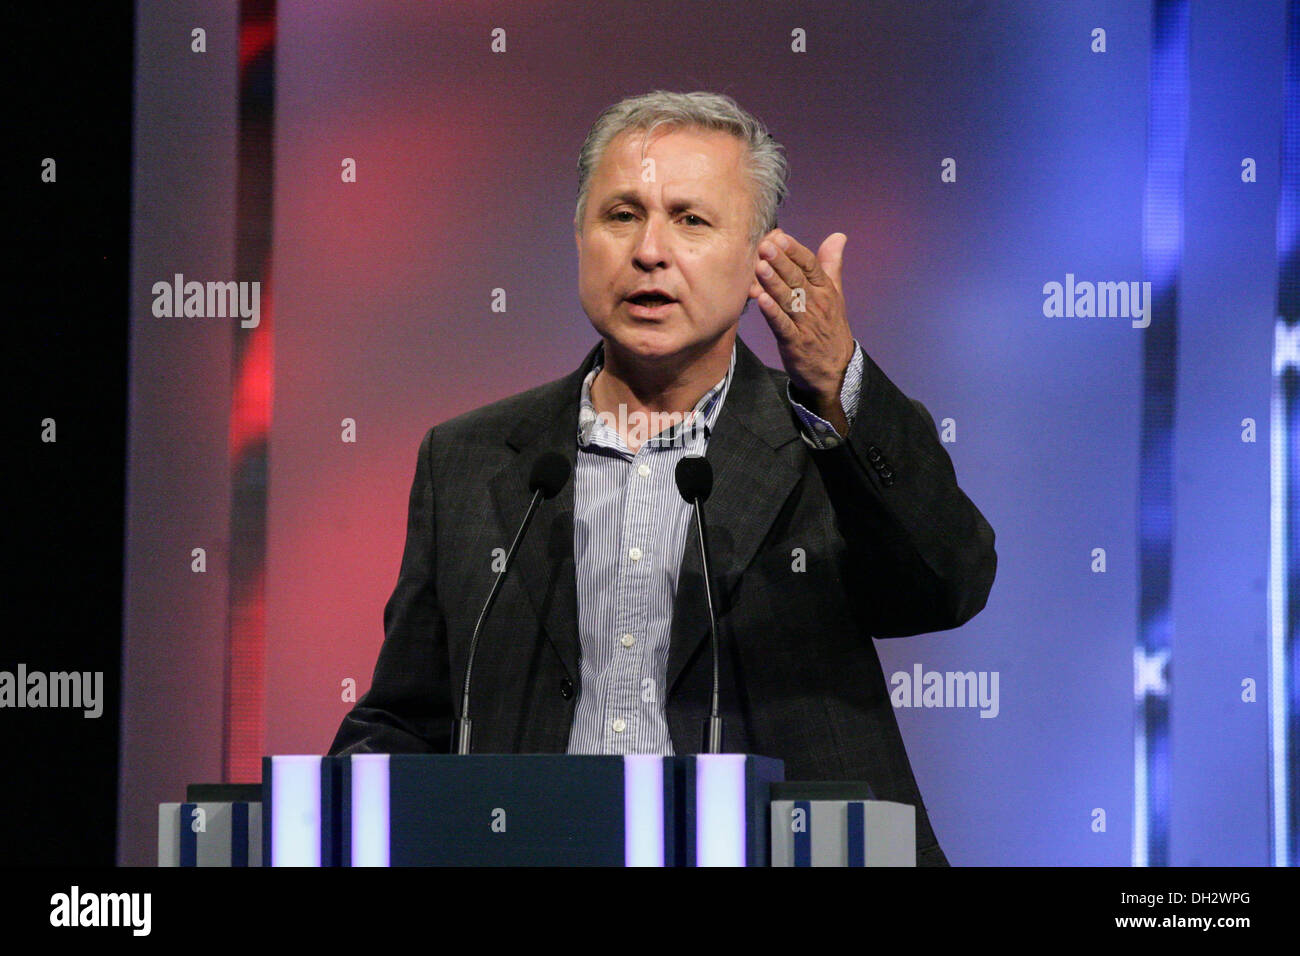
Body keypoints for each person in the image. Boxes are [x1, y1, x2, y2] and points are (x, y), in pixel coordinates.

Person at [329, 90, 997, 866]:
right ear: (580, 239)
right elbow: (410, 717)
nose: (650, 250)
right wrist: (341, 817)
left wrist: (839, 384)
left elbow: (946, 584)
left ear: (760, 257)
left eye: (690, 219)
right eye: (621, 215)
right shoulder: (471, 460)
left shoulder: (824, 439)